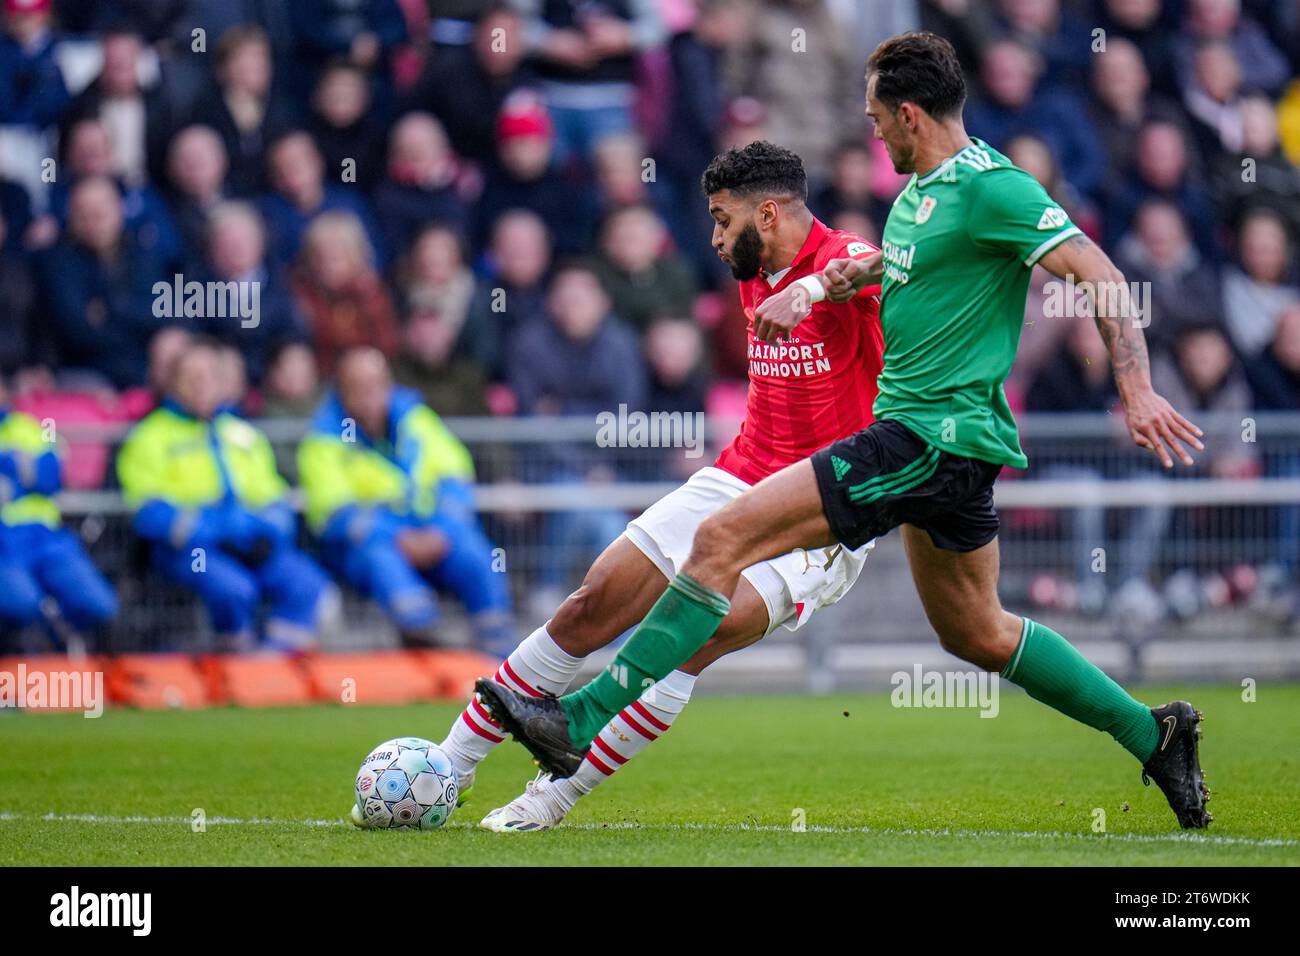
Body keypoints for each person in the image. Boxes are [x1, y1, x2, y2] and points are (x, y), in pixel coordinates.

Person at [478, 33, 1213, 832]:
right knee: (980, 633)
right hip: (948, 452)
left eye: (874, 118)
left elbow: (1099, 273)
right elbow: (882, 268)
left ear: (908, 114)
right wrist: (816, 290)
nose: (870, 133)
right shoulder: (917, 197)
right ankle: (1155, 732)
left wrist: (1136, 387)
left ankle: (578, 718)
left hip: (926, 438)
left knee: (720, 539)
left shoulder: (994, 188)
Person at [438, 142, 883, 831]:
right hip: (739, 473)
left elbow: (904, 262)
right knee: (593, 603)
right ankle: (448, 766)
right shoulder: (752, 264)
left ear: (767, 214)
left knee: (694, 635)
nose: (712, 236)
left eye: (720, 218)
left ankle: (551, 798)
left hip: (828, 501)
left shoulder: (839, 256)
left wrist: (817, 287)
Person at [117, 338, 335, 652]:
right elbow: (147, 510)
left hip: (250, 544)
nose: (201, 386)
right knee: (234, 589)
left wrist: (265, 530)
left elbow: (275, 497)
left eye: (209, 377)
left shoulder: (243, 434)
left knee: (306, 583)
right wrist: (213, 530)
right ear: (173, 383)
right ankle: (234, 659)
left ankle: (273, 667)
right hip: (191, 550)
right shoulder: (149, 437)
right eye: (191, 378)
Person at [297, 347, 516, 656]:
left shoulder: (417, 419)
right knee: (383, 562)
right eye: (359, 388)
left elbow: (456, 476)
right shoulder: (323, 440)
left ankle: (502, 662)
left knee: (477, 555)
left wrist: (443, 531)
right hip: (371, 546)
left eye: (377, 384)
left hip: (436, 532)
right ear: (342, 391)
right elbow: (334, 516)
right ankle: (427, 651)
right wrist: (399, 537)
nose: (370, 396)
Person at [0, 375, 117, 648]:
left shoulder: (29, 427)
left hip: (46, 538)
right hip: (3, 544)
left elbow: (51, 473)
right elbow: (37, 473)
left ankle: (58, 638)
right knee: (22, 604)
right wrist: (23, 468)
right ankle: (37, 651)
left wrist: (9, 475)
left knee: (99, 604)